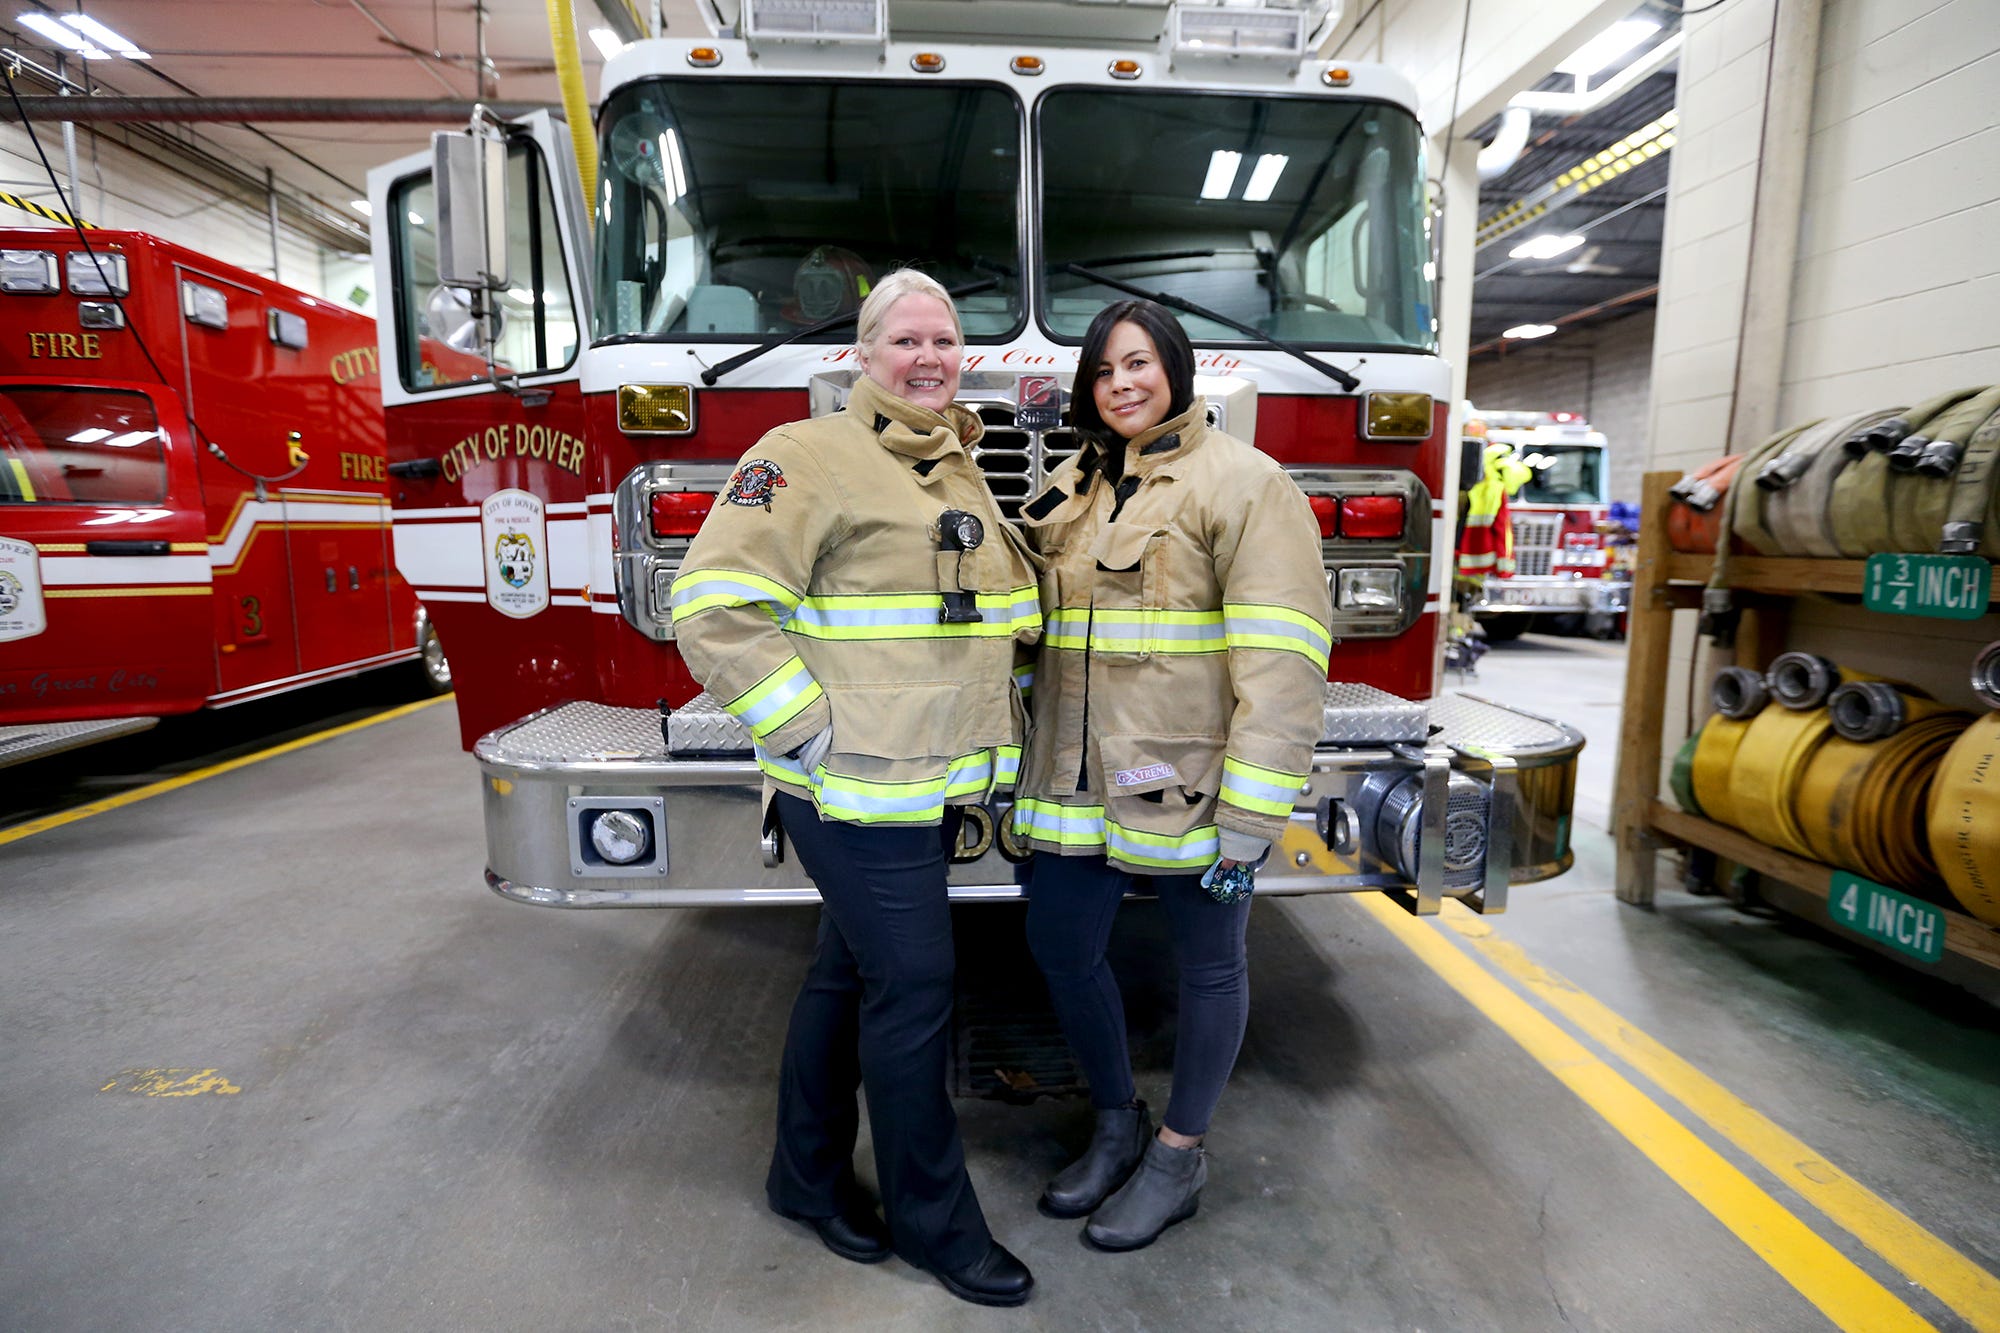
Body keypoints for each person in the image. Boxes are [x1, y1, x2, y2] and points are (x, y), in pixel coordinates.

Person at [668, 270, 1041, 1306]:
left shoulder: (954, 465)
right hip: (850, 790)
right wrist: (805, 728)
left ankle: (804, 1179)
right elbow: (711, 606)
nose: (929, 357)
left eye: (945, 340)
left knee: (848, 977)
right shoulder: (803, 455)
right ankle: (936, 1226)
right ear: (862, 357)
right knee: (915, 990)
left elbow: (987, 611)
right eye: (905, 340)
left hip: (918, 787)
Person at [1013, 298, 1333, 1251]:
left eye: (1142, 363)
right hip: (1070, 778)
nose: (1124, 383)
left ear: (1178, 371)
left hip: (1190, 780)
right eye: (1107, 368)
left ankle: (1179, 1156)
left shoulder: (1244, 483)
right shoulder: (1071, 489)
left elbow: (1284, 656)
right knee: (1061, 946)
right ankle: (1117, 1123)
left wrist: (1253, 808)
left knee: (1209, 966)